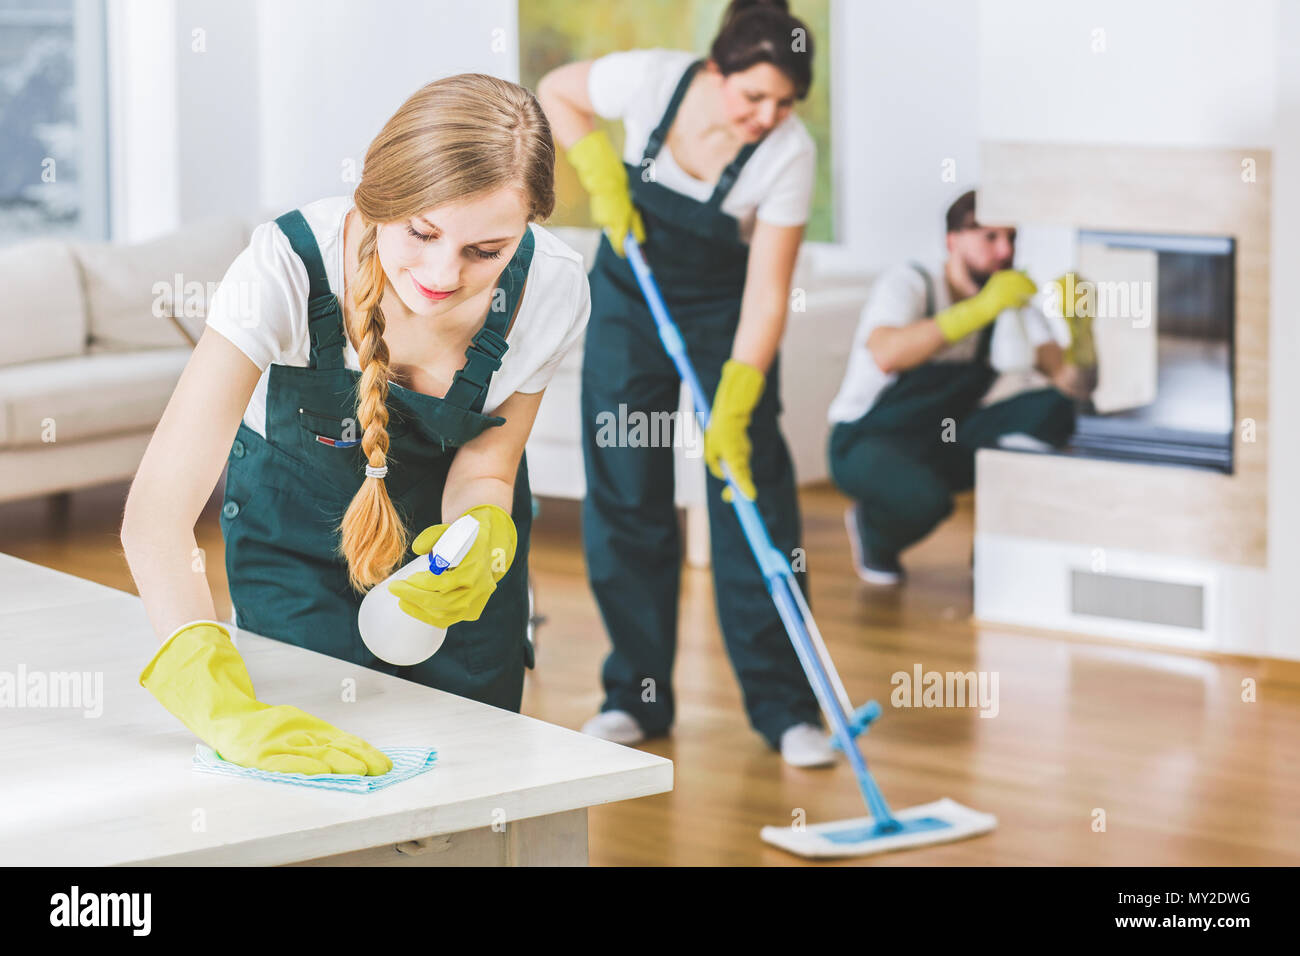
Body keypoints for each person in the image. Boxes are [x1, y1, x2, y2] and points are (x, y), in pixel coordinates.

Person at [121, 74, 591, 775]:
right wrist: (215, 701)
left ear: (528, 228)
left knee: (472, 776)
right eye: (421, 232)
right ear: (379, 196)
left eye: (485, 251)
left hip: (444, 568)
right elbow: (156, 515)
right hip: (297, 543)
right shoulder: (285, 269)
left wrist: (482, 539)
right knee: (314, 775)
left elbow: (488, 467)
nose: (440, 273)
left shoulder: (552, 286)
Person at [539, 0, 834, 767]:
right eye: (752, 97)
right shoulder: (651, 82)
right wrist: (598, 169)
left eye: (782, 103)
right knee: (626, 490)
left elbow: (769, 290)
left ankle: (785, 709)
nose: (766, 116)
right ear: (715, 71)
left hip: (720, 313)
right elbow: (556, 90)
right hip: (630, 296)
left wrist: (736, 395)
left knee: (748, 493)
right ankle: (633, 695)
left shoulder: (788, 155)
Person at [826, 189, 1085, 586]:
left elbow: (1067, 384)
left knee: (1054, 409)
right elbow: (887, 353)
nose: (1005, 251)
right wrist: (981, 309)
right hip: (866, 439)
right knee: (925, 500)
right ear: (952, 241)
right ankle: (874, 530)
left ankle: (996, 550)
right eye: (990, 237)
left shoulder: (1010, 299)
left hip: (942, 436)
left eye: (1012, 238)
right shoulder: (911, 284)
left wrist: (1082, 330)